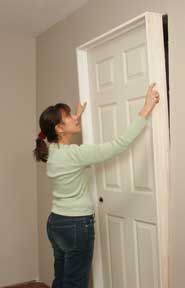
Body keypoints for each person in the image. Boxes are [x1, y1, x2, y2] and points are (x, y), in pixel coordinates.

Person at [33, 82, 160, 288]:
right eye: (69, 117)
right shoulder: (76, 154)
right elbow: (120, 143)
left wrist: (77, 115)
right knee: (75, 283)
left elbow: (62, 139)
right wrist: (147, 107)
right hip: (76, 224)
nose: (75, 118)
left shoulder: (52, 152)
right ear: (59, 128)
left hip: (56, 223)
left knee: (62, 279)